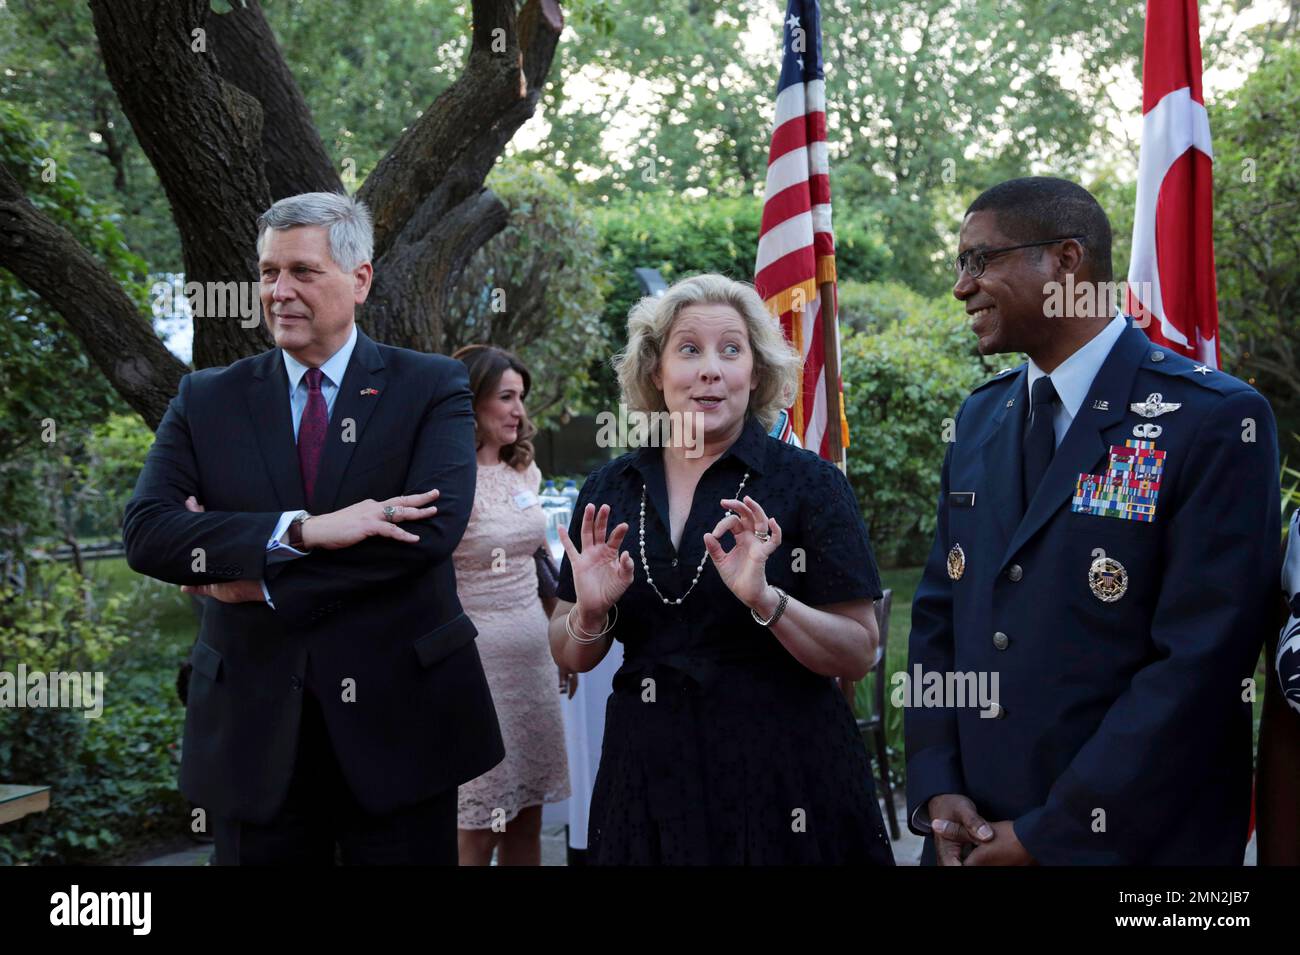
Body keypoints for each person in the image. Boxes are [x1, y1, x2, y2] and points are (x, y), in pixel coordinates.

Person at [905, 176, 1280, 865]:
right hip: (974, 836)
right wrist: (937, 784)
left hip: (1137, 849)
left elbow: (1199, 662)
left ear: (1066, 261)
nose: (962, 287)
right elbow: (937, 616)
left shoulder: (1215, 420)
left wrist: (1049, 833)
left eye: (980, 259)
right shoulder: (978, 417)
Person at [122, 192, 503, 865]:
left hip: (402, 726)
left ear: (359, 280)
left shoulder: (431, 387)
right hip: (253, 731)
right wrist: (299, 532)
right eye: (268, 272)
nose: (279, 291)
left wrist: (256, 580)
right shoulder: (206, 398)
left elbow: (429, 533)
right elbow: (150, 534)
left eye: (302, 271)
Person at [549, 273, 895, 865]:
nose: (710, 369)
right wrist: (589, 610)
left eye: (730, 350)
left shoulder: (810, 485)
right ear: (656, 372)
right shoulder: (610, 486)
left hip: (785, 777)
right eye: (689, 349)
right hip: (647, 774)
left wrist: (767, 601)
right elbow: (569, 652)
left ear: (754, 374)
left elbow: (859, 651)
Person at [451, 345, 571, 865]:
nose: (519, 411)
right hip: (475, 667)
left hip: (534, 661)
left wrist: (562, 639)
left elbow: (542, 563)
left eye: (521, 398)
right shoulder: (445, 480)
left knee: (528, 811)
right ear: (470, 402)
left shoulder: (525, 471)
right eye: (505, 397)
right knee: (477, 823)